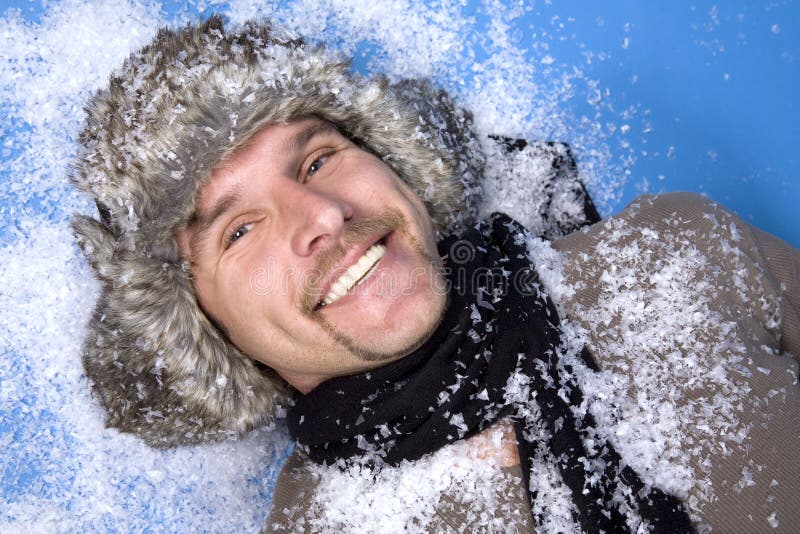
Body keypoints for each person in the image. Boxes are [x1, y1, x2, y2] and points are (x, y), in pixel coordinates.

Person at [70, 16, 800, 533]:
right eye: (240, 230)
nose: (322, 213)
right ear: (206, 329)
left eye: (318, 159)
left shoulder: (678, 249)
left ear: (398, 164)